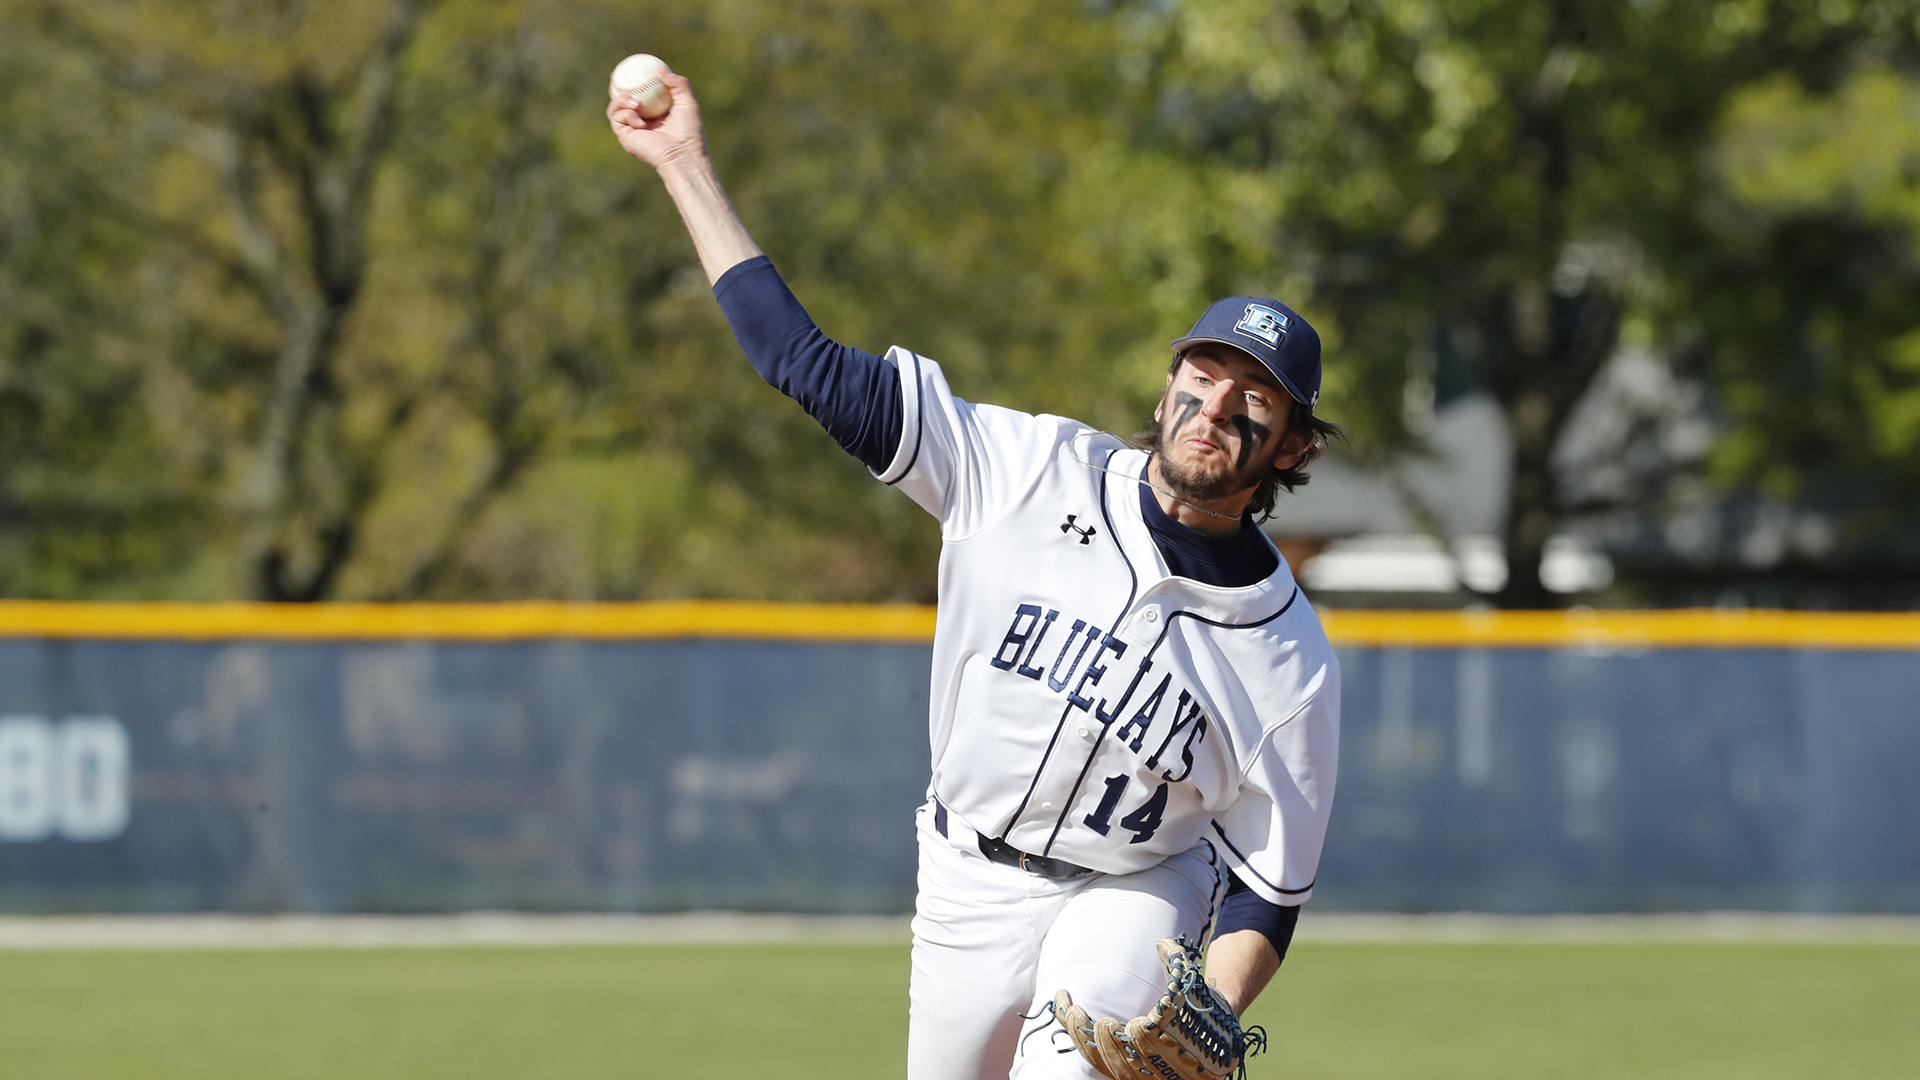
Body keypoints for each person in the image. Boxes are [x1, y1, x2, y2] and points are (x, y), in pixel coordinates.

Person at [610, 69, 1342, 1080]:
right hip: (964, 873)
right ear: (1169, 380)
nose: (1218, 405)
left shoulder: (1287, 653)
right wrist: (685, 164)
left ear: (1294, 448)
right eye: (1206, 373)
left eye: (1256, 395)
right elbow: (803, 363)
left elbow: (1270, 881)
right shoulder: (1023, 469)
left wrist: (1214, 1004)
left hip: (1133, 892)